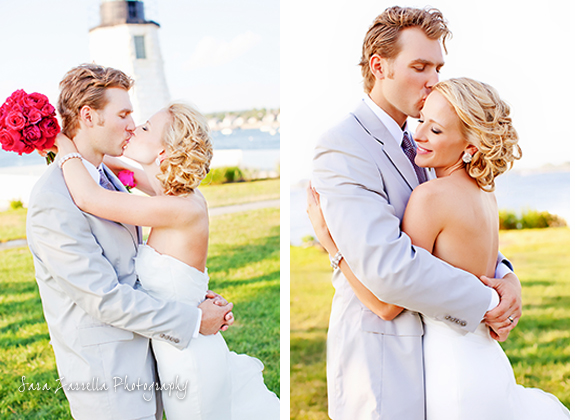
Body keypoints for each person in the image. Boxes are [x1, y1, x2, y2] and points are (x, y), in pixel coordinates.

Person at [307, 7, 524, 419]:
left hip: (441, 363)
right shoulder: (344, 146)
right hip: (381, 363)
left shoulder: (427, 142)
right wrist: (486, 299)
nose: (434, 80)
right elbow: (390, 272)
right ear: (379, 66)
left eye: (439, 67)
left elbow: (454, 237)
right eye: (420, 66)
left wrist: (506, 277)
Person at [311, 77, 569, 418]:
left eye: (435, 131)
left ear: (469, 148)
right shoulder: (484, 194)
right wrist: (510, 281)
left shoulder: (430, 198)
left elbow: (387, 304)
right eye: (422, 123)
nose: (418, 135)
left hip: (452, 374)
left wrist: (333, 246)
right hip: (488, 364)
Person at [25, 63, 235, 420]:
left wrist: (190, 297)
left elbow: (123, 248)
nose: (131, 125)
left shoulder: (106, 178)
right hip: (109, 379)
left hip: (156, 360)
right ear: (88, 116)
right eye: (123, 114)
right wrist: (191, 315)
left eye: (138, 120)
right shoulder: (53, 200)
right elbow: (104, 297)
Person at [51, 93, 280, 417]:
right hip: (179, 342)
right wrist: (80, 144)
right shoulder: (175, 195)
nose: (133, 129)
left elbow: (90, 198)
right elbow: (112, 167)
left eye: (144, 128)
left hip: (188, 356)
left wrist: (61, 145)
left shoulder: (178, 208)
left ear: (162, 151)